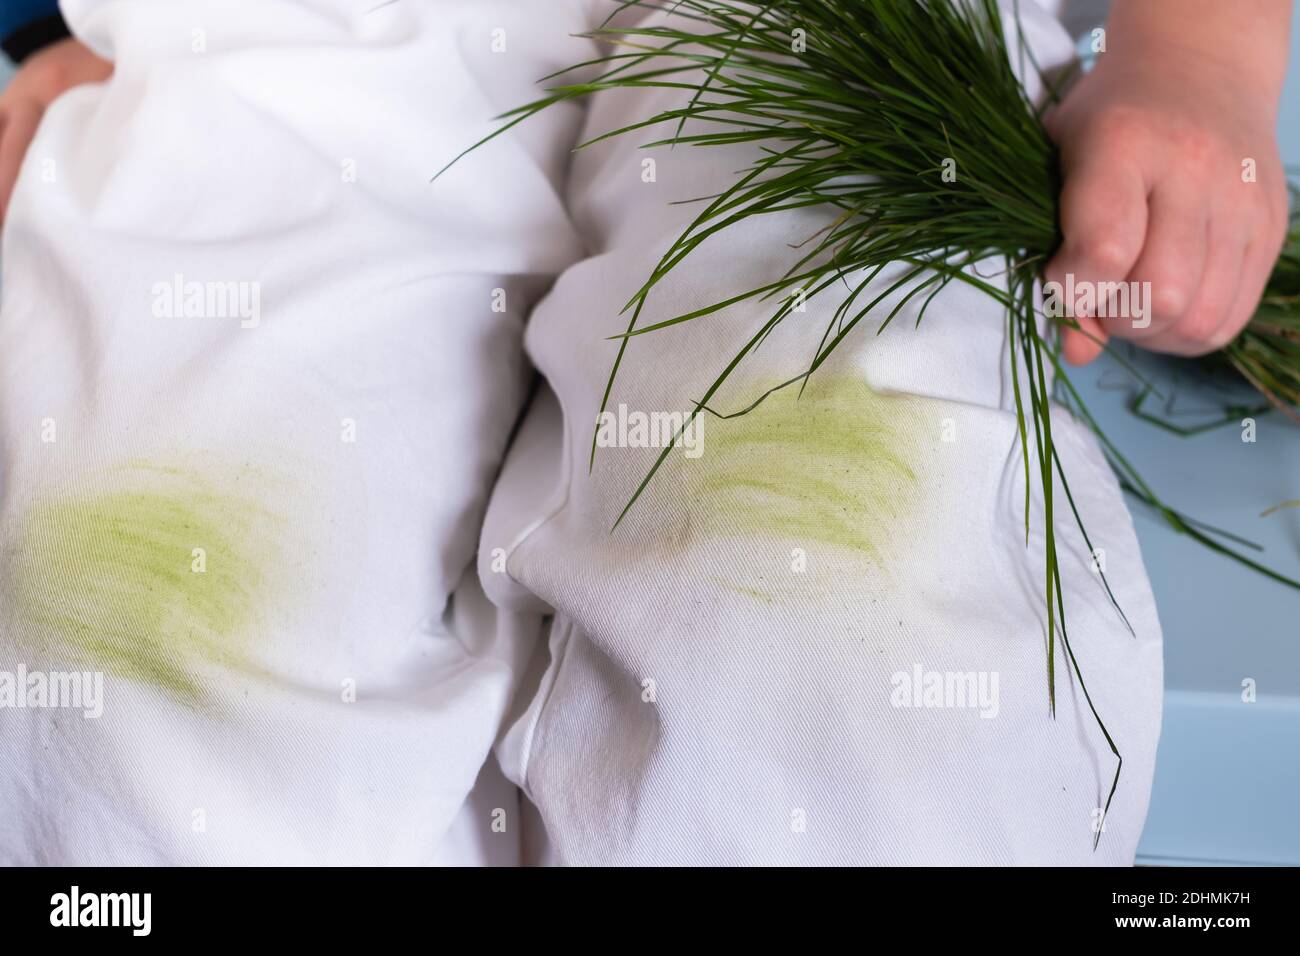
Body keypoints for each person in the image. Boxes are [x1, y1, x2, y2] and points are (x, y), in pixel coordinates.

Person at [0, 0, 1290, 864]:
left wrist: (1198, 58)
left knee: (844, 645)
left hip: (832, 32)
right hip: (309, 34)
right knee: (127, 650)